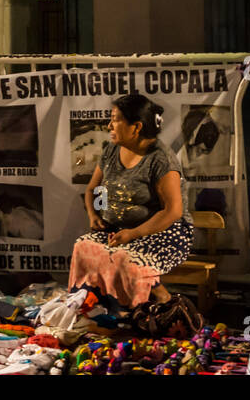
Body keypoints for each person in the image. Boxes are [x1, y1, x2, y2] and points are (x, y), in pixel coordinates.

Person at [71, 94, 193, 307]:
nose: (109, 126)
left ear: (136, 127)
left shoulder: (161, 160)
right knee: (83, 247)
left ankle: (148, 305)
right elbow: (95, 189)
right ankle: (93, 307)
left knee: (123, 259)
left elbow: (173, 211)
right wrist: (96, 215)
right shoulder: (111, 151)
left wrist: (134, 233)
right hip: (119, 230)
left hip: (163, 233)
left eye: (115, 120)